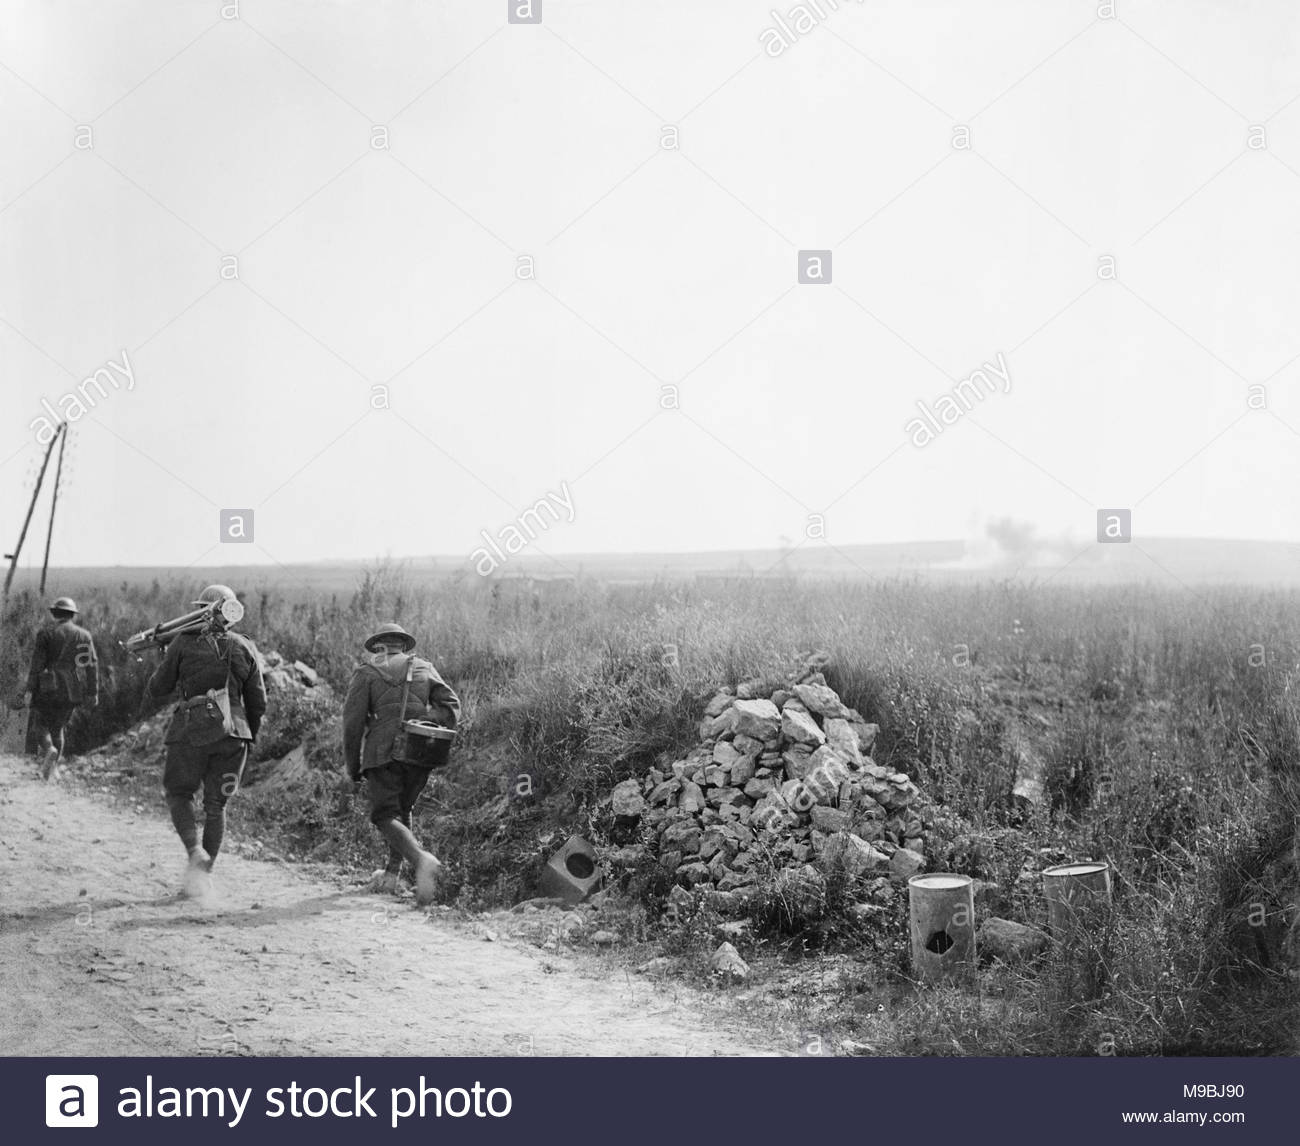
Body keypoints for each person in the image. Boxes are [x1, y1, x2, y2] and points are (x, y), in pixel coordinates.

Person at [146, 584, 266, 896]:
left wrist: (164, 658)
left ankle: (194, 851)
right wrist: (245, 736)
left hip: (190, 732)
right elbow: (259, 702)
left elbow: (158, 688)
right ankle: (201, 879)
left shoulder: (183, 642)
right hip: (235, 735)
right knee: (217, 805)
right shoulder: (245, 647)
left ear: (200, 611)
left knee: (178, 793)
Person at [342, 622, 459, 905]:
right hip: (419, 753)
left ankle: (421, 860)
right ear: (404, 645)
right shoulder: (423, 668)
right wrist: (425, 724)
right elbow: (451, 705)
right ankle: (393, 875)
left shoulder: (366, 673)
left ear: (379, 647)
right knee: (403, 810)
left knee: (384, 816)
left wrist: (353, 766)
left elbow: (352, 725)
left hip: (383, 754)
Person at [19, 596, 98, 781]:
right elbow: (91, 665)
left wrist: (29, 689)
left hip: (47, 686)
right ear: (72, 615)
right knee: (59, 727)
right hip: (71, 688)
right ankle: (54, 769)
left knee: (40, 725)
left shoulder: (45, 633)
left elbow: (36, 665)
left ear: (55, 613)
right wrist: (93, 692)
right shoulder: (84, 635)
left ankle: (49, 750)